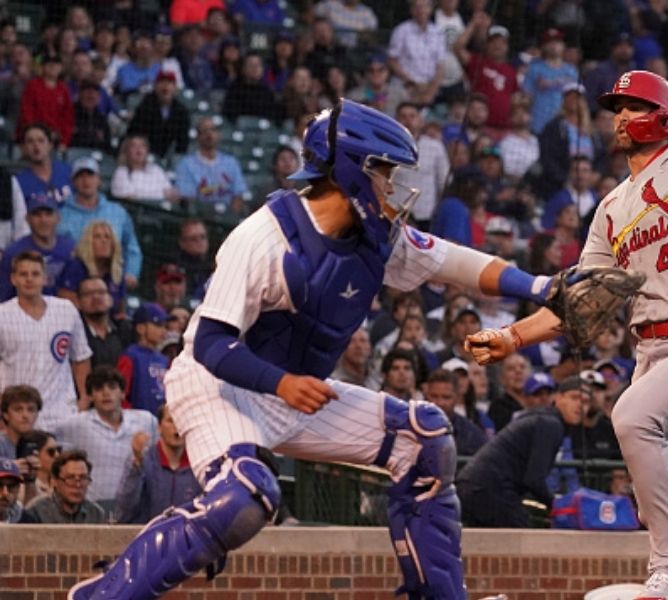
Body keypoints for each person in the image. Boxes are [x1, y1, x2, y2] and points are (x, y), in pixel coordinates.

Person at [68, 99, 557, 600]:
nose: (391, 186)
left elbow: (459, 264)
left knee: (426, 438)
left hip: (295, 393)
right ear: (350, 171)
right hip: (219, 386)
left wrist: (542, 286)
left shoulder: (375, 236)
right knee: (247, 498)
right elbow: (212, 343)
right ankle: (105, 593)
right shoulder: (262, 237)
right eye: (384, 172)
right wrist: (281, 383)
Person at [465, 70, 668, 600]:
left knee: (631, 416)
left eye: (635, 105)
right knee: (662, 493)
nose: (622, 116)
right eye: (617, 108)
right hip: (652, 350)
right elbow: (582, 303)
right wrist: (513, 337)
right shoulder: (609, 207)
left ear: (665, 115)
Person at [455, 374, 585, 527]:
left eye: (585, 402)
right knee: (522, 542)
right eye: (574, 398)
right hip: (489, 490)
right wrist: (558, 505)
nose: (580, 405)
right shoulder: (550, 424)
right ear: (558, 397)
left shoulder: (544, 419)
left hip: (473, 487)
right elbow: (534, 479)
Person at [0, 251, 92, 431]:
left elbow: (81, 358)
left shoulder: (66, 310)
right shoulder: (2, 315)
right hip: (16, 416)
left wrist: (84, 400)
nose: (29, 279)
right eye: (23, 274)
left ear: (45, 278)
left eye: (35, 274)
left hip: (62, 414)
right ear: (13, 279)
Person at [54, 366, 159, 509]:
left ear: (122, 393)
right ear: (90, 396)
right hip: (92, 507)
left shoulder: (146, 421)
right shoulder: (75, 425)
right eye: (98, 389)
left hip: (135, 505)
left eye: (112, 387)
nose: (106, 393)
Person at [58, 158, 143, 289]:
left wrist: (131, 273)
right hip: (72, 281)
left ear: (99, 180)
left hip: (110, 281)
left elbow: (131, 247)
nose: (86, 181)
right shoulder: (60, 215)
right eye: (81, 176)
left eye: (90, 175)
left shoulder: (117, 212)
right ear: (73, 182)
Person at [114, 404, 199, 524]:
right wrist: (137, 465)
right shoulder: (143, 459)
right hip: (147, 535)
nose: (177, 427)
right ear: (159, 427)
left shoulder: (197, 462)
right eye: (170, 421)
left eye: (181, 421)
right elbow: (124, 508)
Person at [0, 195, 75, 302]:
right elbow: (4, 295)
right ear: (27, 219)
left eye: (48, 214)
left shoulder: (70, 248)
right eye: (37, 215)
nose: (43, 220)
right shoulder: (13, 252)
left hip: (65, 312)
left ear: (58, 218)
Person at [174, 117, 248, 211]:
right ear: (198, 136)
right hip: (201, 217)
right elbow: (189, 200)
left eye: (213, 130)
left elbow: (238, 196)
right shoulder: (186, 164)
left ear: (219, 134)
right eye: (204, 131)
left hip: (228, 217)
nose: (209, 134)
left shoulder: (231, 162)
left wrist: (230, 219)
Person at [20, 449, 106, 523]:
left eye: (83, 478)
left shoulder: (96, 514)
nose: (77, 484)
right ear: (54, 481)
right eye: (70, 478)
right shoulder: (35, 511)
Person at [116, 304, 169, 415]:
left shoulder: (163, 359)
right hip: (137, 420)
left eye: (165, 326)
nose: (163, 331)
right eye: (158, 325)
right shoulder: (130, 356)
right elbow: (120, 394)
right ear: (140, 328)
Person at [126, 71, 191, 159]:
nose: (165, 86)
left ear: (175, 88)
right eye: (162, 82)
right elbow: (135, 134)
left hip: (170, 157)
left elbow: (183, 142)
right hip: (146, 156)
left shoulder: (181, 112)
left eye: (169, 83)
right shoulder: (144, 108)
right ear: (155, 86)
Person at [423, 368, 486, 456]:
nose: (440, 403)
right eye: (434, 396)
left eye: (446, 397)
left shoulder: (471, 434)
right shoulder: (410, 429)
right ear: (426, 396)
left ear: (457, 398)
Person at [78, 276, 132, 369]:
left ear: (111, 300)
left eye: (101, 292)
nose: (96, 297)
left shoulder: (125, 330)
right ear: (78, 303)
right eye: (88, 294)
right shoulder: (75, 334)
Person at [109, 134, 177, 203]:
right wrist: (162, 195)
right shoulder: (121, 172)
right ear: (126, 151)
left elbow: (171, 193)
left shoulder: (156, 169)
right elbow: (131, 200)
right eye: (134, 146)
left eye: (143, 146)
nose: (139, 149)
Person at [0, 457, 24, 522]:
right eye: (0, 486)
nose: (5, 493)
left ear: (18, 489)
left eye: (11, 486)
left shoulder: (23, 515)